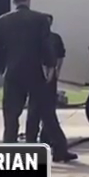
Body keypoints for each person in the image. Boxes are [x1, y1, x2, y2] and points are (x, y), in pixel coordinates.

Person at [0, 0, 77, 162]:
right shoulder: (39, 19)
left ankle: (9, 153)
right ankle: (59, 149)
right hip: (34, 71)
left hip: (13, 72)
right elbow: (46, 46)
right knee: (46, 112)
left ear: (15, 1)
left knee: (11, 114)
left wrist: (4, 67)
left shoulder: (3, 20)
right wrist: (50, 67)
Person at [27, 15, 67, 145]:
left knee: (48, 110)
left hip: (49, 78)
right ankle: (32, 138)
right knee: (35, 111)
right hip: (37, 77)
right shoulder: (34, 38)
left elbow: (60, 55)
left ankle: (46, 137)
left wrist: (56, 71)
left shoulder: (54, 38)